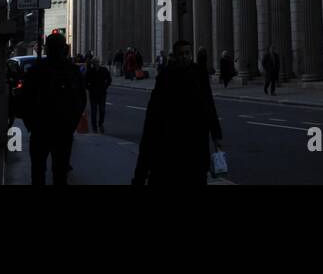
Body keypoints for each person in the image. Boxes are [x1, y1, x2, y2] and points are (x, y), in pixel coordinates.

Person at [132, 41, 223, 186]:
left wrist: (216, 134)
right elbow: (152, 121)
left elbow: (209, 104)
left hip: (196, 149)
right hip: (171, 150)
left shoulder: (199, 74)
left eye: (187, 53)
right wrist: (140, 173)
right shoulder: (166, 77)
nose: (185, 57)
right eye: (181, 54)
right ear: (175, 56)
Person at [23, 32, 87, 185]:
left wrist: (31, 124)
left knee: (38, 173)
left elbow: (25, 101)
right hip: (63, 130)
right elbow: (81, 101)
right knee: (60, 174)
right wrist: (71, 124)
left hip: (40, 130)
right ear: (64, 49)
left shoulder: (35, 70)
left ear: (47, 49)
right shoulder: (73, 71)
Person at [84, 55, 112, 132]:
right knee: (94, 111)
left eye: (97, 62)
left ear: (99, 63)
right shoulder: (90, 72)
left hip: (102, 93)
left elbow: (109, 79)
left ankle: (100, 123)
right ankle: (94, 126)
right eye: (95, 62)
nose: (96, 64)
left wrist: (105, 87)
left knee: (102, 110)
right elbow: (85, 83)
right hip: (93, 94)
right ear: (93, 63)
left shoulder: (104, 70)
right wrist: (90, 89)